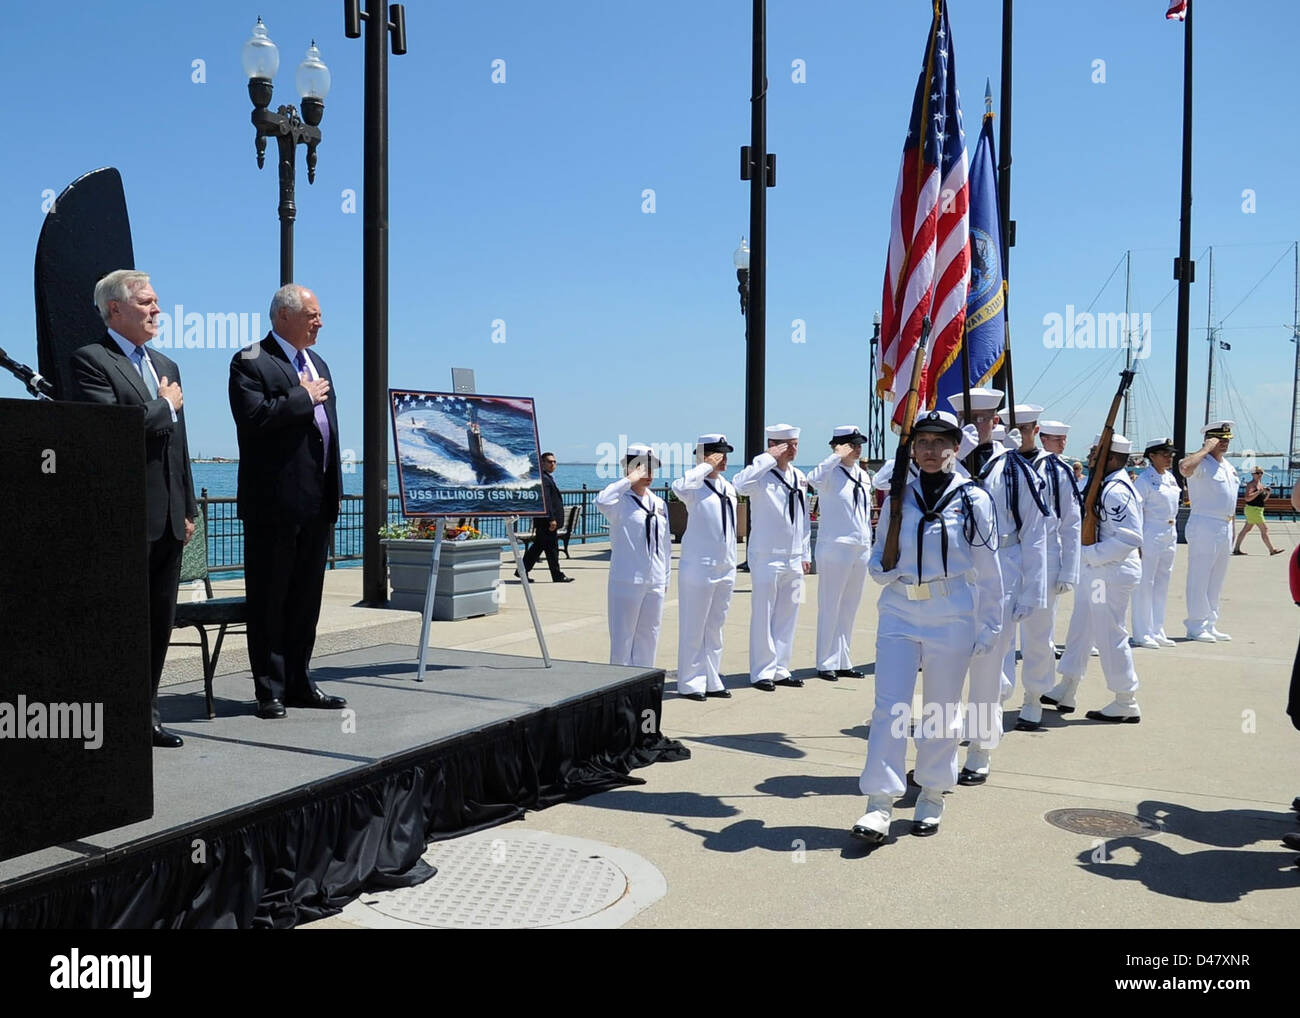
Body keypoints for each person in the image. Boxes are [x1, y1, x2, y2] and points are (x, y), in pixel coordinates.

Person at [850, 410, 1002, 842]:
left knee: (940, 709)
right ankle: (879, 802)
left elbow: (989, 571)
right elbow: (879, 551)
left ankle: (932, 793)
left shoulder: (973, 499)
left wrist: (990, 624)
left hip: (951, 610)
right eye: (922, 443)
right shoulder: (901, 494)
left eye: (939, 443)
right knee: (889, 709)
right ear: (913, 450)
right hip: (899, 610)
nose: (930, 451)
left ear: (955, 448)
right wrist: (881, 567)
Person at [71, 270, 196, 748]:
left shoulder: (167, 364)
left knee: (158, 622)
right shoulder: (90, 361)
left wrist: (188, 508)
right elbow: (107, 433)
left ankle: (147, 714)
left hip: (169, 519)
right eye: (146, 302)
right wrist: (164, 405)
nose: (156, 310)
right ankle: (111, 719)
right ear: (115, 310)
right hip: (123, 520)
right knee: (122, 625)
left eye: (157, 301)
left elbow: (180, 446)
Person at [229, 284, 347, 719]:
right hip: (274, 507)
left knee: (305, 600)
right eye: (312, 314)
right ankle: (269, 690)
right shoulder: (250, 361)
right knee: (270, 599)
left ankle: (300, 682)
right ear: (284, 316)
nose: (320, 322)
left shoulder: (318, 363)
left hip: (318, 505)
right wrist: (303, 397)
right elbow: (254, 418)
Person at [948, 390, 1047, 784]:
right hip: (953, 577)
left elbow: (1036, 531)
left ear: (998, 421)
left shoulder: (1014, 469)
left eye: (988, 418)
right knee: (948, 668)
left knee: (988, 669)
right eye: (972, 418)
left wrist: (1032, 590)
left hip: (1001, 576)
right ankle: (942, 750)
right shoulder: (943, 463)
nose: (981, 424)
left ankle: (980, 750)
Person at [1045, 434, 1144, 721]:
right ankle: (1068, 685)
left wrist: (1088, 555)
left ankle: (1126, 699)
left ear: (1111, 458)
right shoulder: (1105, 484)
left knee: (1109, 634)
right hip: (1099, 572)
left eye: (1096, 452)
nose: (1089, 456)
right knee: (1082, 626)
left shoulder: (1115, 491)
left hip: (1110, 573)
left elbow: (1130, 537)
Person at [733, 424, 812, 691]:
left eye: (795, 444)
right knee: (764, 614)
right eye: (787, 444)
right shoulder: (761, 475)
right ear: (774, 444)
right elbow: (739, 486)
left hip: (793, 556)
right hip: (767, 555)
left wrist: (805, 552)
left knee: (788, 614)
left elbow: (803, 519)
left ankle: (780, 668)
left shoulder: (799, 477)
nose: (793, 449)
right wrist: (766, 457)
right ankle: (762, 671)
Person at [1015, 417, 1081, 731]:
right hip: (1005, 556)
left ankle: (1033, 696)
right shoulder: (999, 464)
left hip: (1045, 558)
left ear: (1036, 432)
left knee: (1038, 634)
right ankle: (992, 696)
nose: (1021, 434)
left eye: (1026, 429)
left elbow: (1071, 522)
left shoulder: (1058, 470)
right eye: (1016, 428)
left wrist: (1069, 568)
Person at [672, 434, 738, 700]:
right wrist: (705, 465)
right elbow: (679, 486)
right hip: (699, 566)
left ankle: (712, 678)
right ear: (704, 455)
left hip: (725, 565)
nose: (723, 459)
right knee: (694, 626)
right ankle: (690, 681)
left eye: (724, 454)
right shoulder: (693, 486)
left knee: (715, 626)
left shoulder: (728, 487)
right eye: (717, 454)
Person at [807, 426, 873, 681]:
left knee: (849, 607)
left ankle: (843, 659)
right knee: (830, 606)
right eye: (852, 444)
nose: (857, 449)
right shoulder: (829, 473)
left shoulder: (863, 475)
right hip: (835, 547)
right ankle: (825, 662)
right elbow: (812, 478)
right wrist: (835, 455)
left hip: (860, 546)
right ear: (839, 446)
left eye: (858, 444)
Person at [596, 443, 670, 667]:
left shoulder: (658, 503)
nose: (648, 473)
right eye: (642, 468)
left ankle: (643, 688)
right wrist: (629, 479)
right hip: (627, 579)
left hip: (655, 580)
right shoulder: (618, 503)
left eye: (651, 468)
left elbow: (664, 544)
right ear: (629, 469)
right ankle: (619, 693)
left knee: (649, 637)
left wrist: (665, 577)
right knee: (623, 639)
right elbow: (601, 500)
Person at [1180, 420, 1239, 642]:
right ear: (1209, 439)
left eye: (1226, 440)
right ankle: (1196, 625)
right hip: (1204, 524)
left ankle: (1210, 622)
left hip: (1224, 525)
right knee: (1199, 576)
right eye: (1220, 440)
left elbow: (1230, 502)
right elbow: (1184, 467)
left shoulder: (1228, 466)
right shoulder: (1201, 463)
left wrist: (1232, 529)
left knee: (1217, 578)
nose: (1224, 443)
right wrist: (1205, 448)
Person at [1131, 438, 1182, 649]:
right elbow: (1135, 512)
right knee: (1145, 584)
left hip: (1169, 532)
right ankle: (1142, 632)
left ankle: (1157, 629)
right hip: (1150, 533)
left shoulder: (1170, 478)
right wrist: (1138, 542)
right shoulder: (1143, 481)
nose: (1169, 458)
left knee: (1162, 583)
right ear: (1151, 456)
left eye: (1170, 454)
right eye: (1164, 454)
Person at [521, 452, 573, 581]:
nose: (553, 464)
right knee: (552, 549)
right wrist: (551, 519)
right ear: (542, 463)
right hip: (546, 522)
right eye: (550, 462)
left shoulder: (546, 477)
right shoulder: (544, 479)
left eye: (554, 462)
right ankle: (557, 575)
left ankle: (521, 571)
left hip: (546, 521)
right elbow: (546, 501)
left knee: (538, 547)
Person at [1233, 467, 1284, 556]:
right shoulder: (1251, 485)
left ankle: (1236, 549)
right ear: (1252, 474)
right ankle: (1272, 550)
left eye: (1261, 473)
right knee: (1264, 529)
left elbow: (1262, 500)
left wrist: (1268, 493)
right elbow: (1247, 498)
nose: (1260, 475)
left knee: (1246, 529)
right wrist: (1259, 491)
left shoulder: (1260, 484)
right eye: (1257, 473)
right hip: (1253, 510)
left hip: (1257, 510)